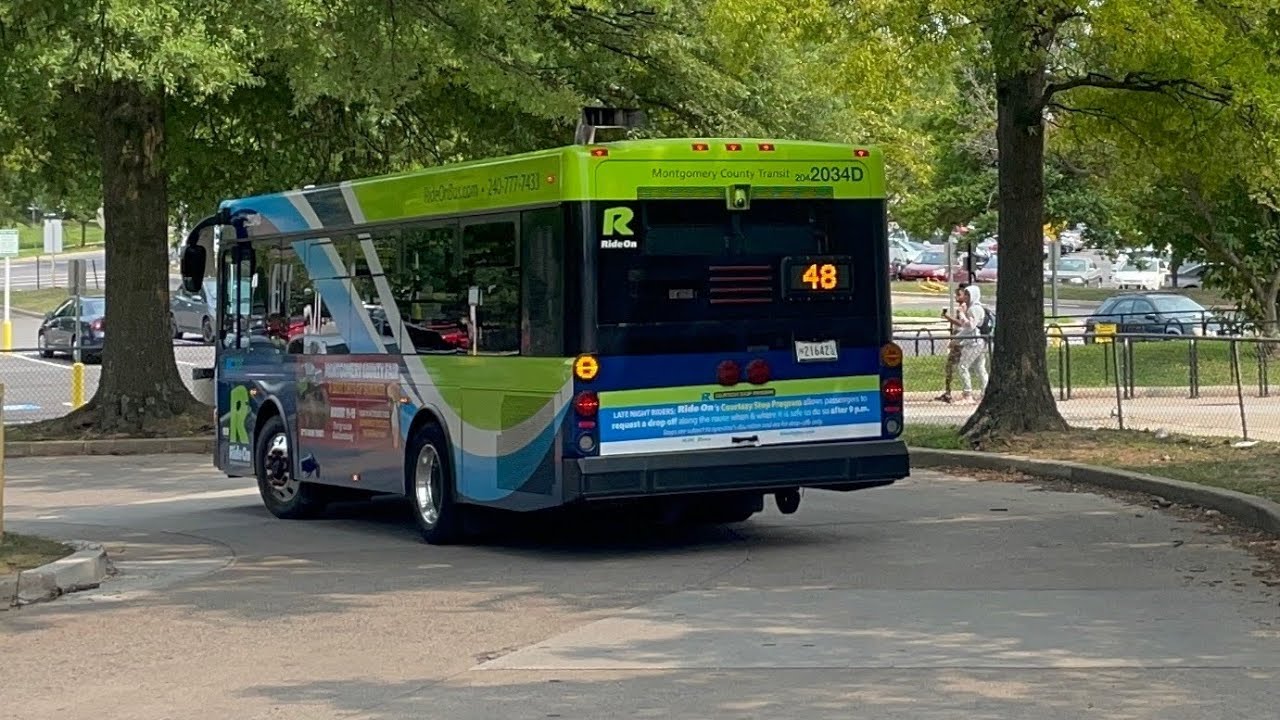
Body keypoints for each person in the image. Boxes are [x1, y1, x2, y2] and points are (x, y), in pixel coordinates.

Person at [954, 284, 989, 402]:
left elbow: (970, 326)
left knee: (963, 366)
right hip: (979, 341)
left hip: (975, 342)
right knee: (980, 367)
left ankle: (967, 394)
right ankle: (985, 392)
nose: (966, 297)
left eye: (968, 295)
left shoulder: (974, 309)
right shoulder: (974, 308)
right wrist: (957, 338)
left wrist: (962, 314)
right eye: (966, 294)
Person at [935, 286, 969, 404]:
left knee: (952, 366)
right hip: (958, 340)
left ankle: (951, 392)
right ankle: (948, 391)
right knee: (954, 366)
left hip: (960, 342)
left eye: (958, 295)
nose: (956, 297)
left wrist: (947, 317)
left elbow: (961, 324)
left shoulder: (964, 308)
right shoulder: (962, 308)